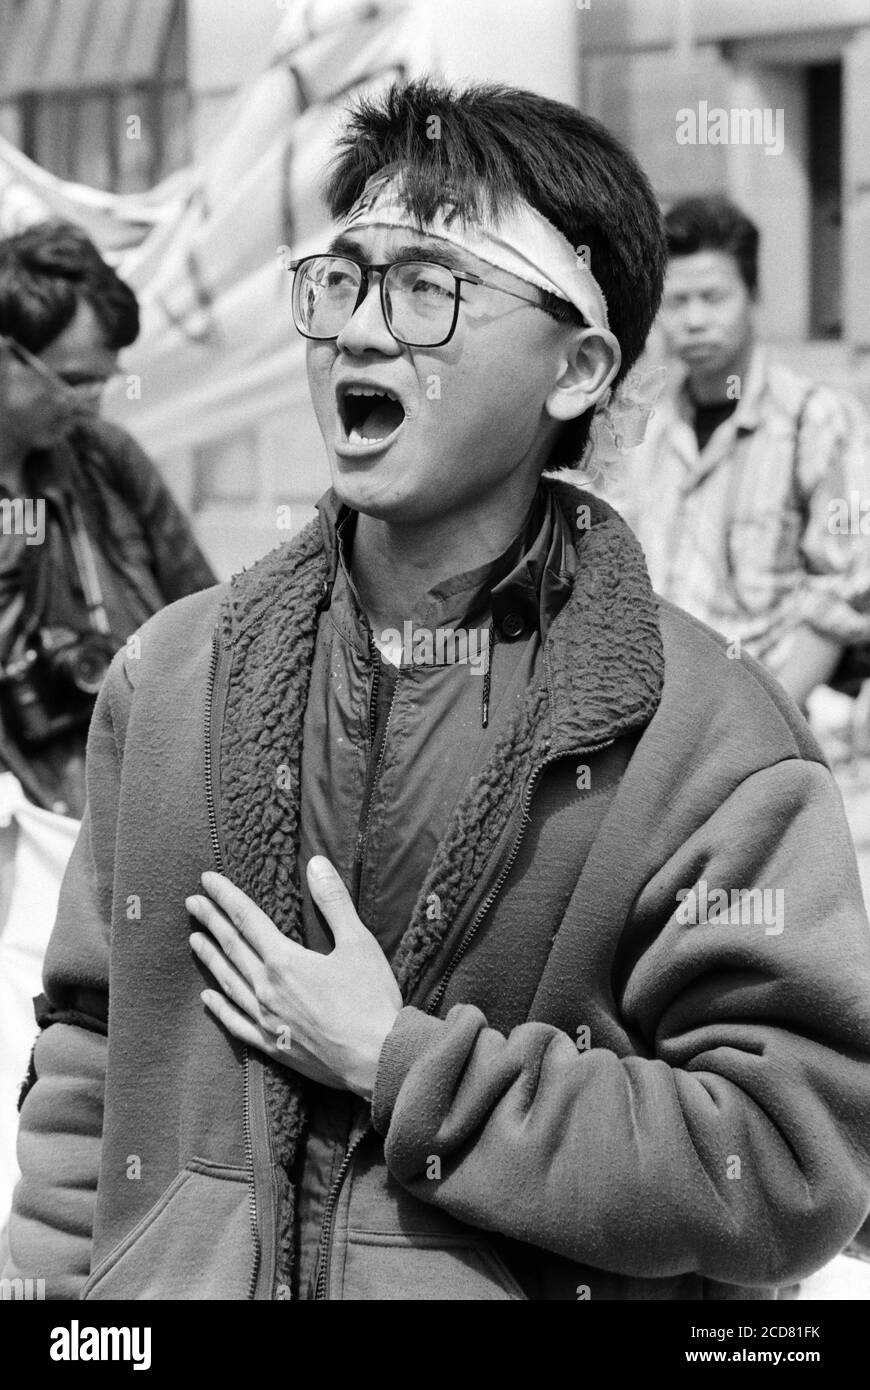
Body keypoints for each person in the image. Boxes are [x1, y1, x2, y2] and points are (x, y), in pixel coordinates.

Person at [5, 81, 870, 1302]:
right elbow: (88, 1056)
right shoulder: (170, 681)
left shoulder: (710, 744)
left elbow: (790, 1160)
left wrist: (404, 1064)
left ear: (578, 369)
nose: (360, 331)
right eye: (343, 280)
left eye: (427, 288)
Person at [605, 194, 870, 712]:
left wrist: (771, 722)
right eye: (678, 302)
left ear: (753, 295)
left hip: (764, 714)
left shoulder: (814, 420)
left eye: (713, 296)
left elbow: (843, 591)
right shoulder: (644, 425)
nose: (695, 320)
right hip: (652, 712)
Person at [0, 220, 216, 818]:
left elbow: (209, 619)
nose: (90, 402)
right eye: (72, 380)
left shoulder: (105, 457)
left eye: (102, 379)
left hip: (143, 803)